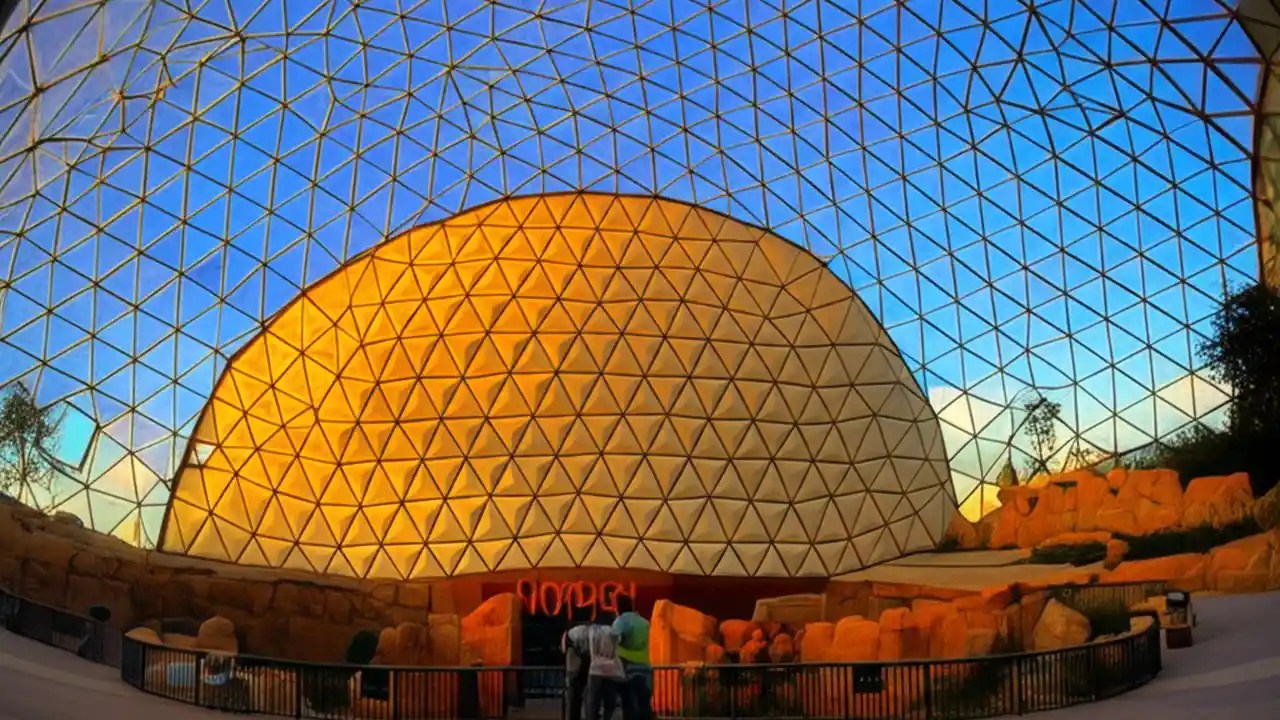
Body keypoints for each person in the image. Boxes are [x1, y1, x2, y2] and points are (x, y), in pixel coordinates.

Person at [564, 622, 631, 720]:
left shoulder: (582, 635)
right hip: (606, 669)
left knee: (589, 698)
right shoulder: (608, 634)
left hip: (594, 667)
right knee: (604, 699)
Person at [611, 595, 652, 720]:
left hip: (627, 669)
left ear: (618, 607)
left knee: (628, 706)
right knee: (644, 706)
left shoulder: (620, 622)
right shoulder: (645, 622)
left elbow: (614, 641)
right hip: (645, 668)